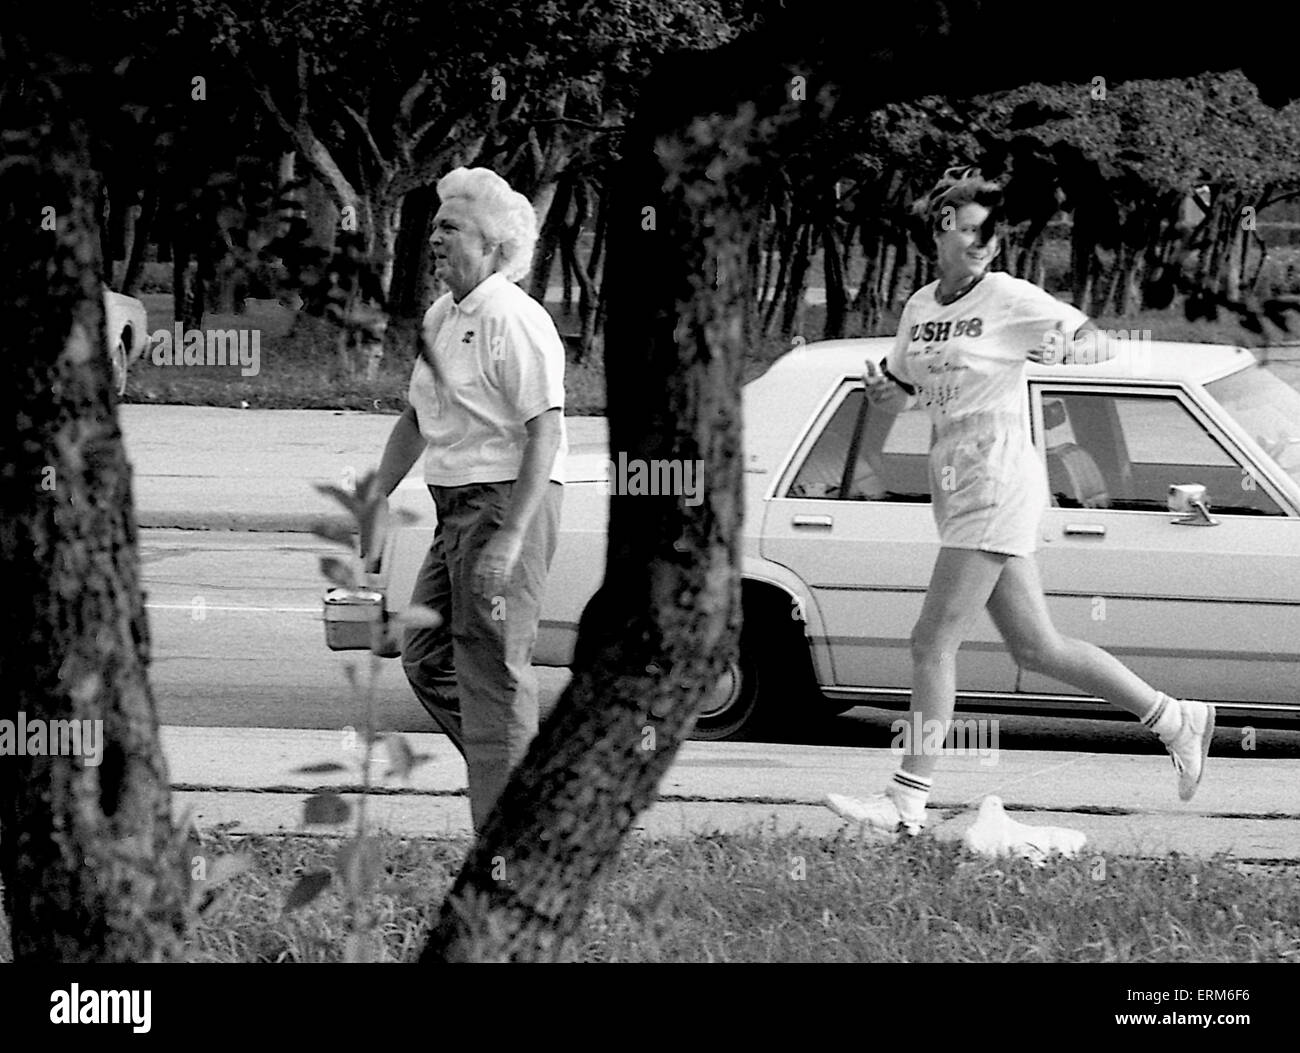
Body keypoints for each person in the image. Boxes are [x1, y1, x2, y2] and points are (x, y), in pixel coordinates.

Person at [825, 166, 1214, 839]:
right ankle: (1176, 718)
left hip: (999, 475)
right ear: (939, 230)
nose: (982, 243)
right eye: (970, 229)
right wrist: (889, 393)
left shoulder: (1007, 296)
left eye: (990, 234)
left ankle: (905, 804)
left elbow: (1098, 339)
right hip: (953, 479)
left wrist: (1066, 346)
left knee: (931, 640)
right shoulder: (920, 308)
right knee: (1037, 647)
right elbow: (904, 384)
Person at [369, 166, 566, 831]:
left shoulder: (515, 318)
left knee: (493, 673)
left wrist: (511, 537)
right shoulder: (442, 316)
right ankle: (521, 777)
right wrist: (375, 495)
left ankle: (507, 840)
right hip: (455, 505)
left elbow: (547, 430)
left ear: (492, 245)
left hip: (505, 501)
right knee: (428, 656)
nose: (434, 238)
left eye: (450, 226)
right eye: (433, 226)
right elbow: (417, 419)